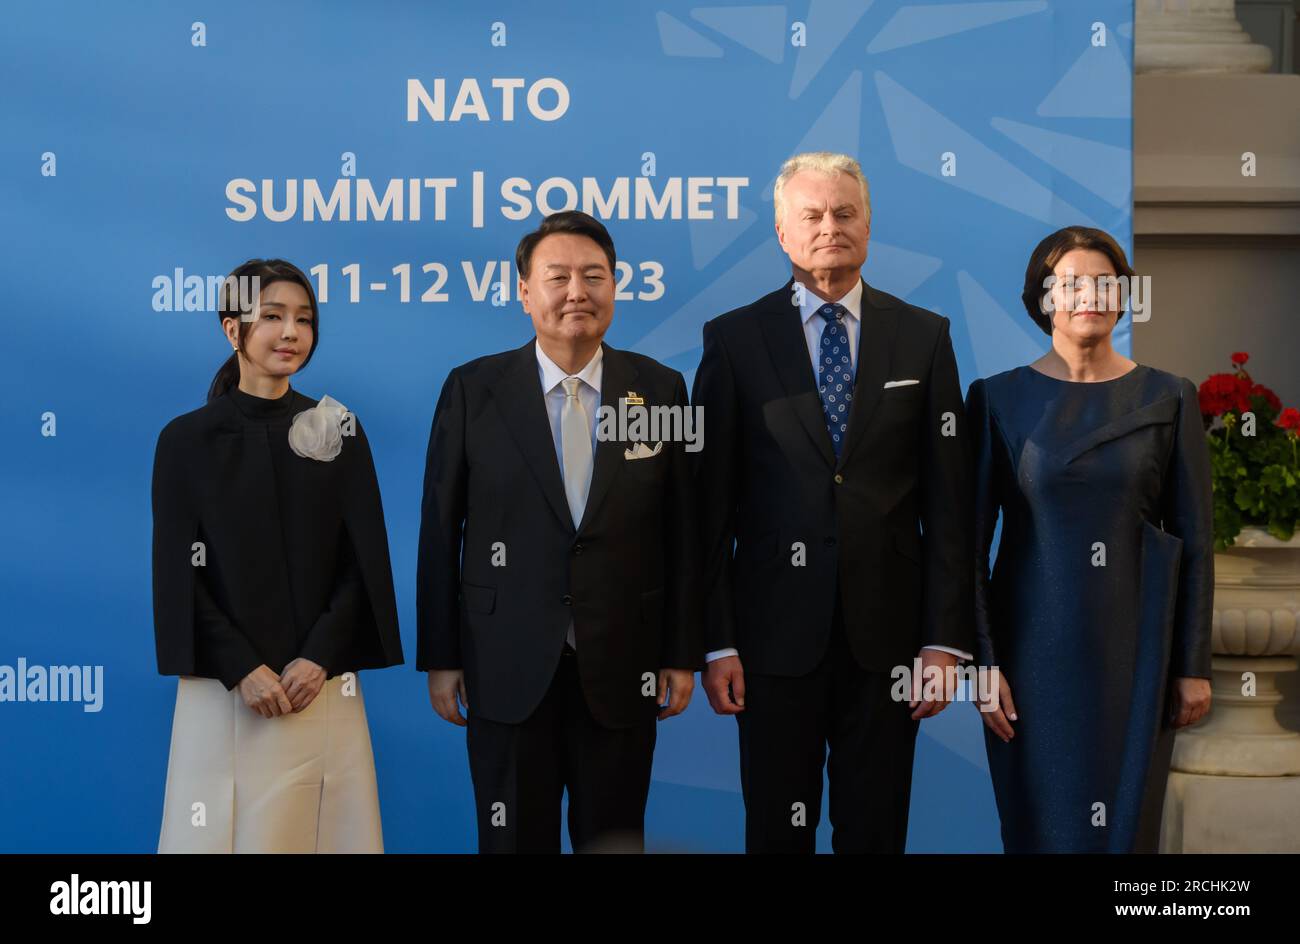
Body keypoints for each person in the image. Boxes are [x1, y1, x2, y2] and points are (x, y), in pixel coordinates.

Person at [692, 152, 975, 853]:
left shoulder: (925, 336)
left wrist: (943, 643)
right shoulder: (733, 340)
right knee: (776, 833)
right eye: (811, 216)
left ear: (868, 227)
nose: (830, 228)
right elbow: (706, 510)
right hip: (769, 646)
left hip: (890, 645)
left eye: (845, 214)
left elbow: (949, 503)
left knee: (874, 832)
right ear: (783, 235)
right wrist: (718, 641)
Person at [417, 211, 702, 853]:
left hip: (624, 663)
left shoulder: (660, 390)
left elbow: (683, 532)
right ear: (524, 292)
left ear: (615, 286)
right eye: (558, 276)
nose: (578, 291)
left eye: (594, 276)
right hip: (505, 664)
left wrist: (682, 651)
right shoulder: (473, 389)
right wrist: (443, 657)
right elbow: (440, 532)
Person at [967, 225, 1214, 852]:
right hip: (1031, 659)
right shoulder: (997, 398)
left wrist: (1192, 666)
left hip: (1138, 654)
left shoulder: (1171, 396)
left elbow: (1196, 541)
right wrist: (984, 664)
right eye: (1071, 283)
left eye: (1105, 282)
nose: (1090, 295)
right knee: (1041, 832)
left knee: (1127, 837)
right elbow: (966, 547)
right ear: (1043, 297)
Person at [152, 258, 403, 853]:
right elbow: (176, 575)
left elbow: (361, 561)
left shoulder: (337, 428)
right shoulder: (186, 440)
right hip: (223, 691)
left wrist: (318, 657)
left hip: (321, 688)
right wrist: (241, 667)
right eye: (271, 316)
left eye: (304, 319)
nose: (291, 333)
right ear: (231, 328)